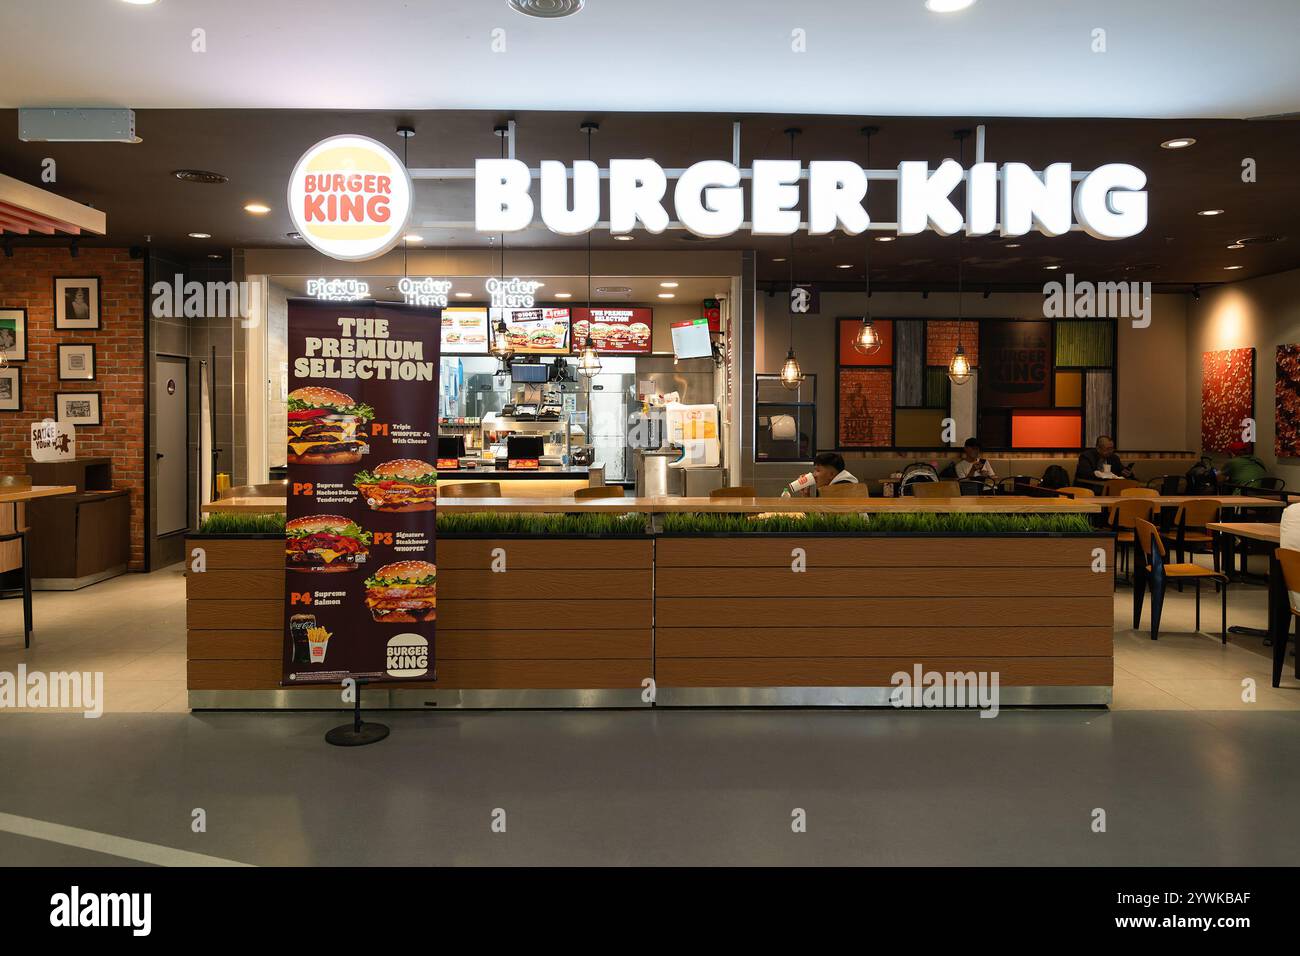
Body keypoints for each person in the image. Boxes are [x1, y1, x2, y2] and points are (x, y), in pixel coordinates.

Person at [786, 452, 859, 497]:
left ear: (831, 474)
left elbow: (822, 519)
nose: (814, 475)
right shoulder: (827, 490)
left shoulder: (842, 488)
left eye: (818, 470)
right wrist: (805, 494)